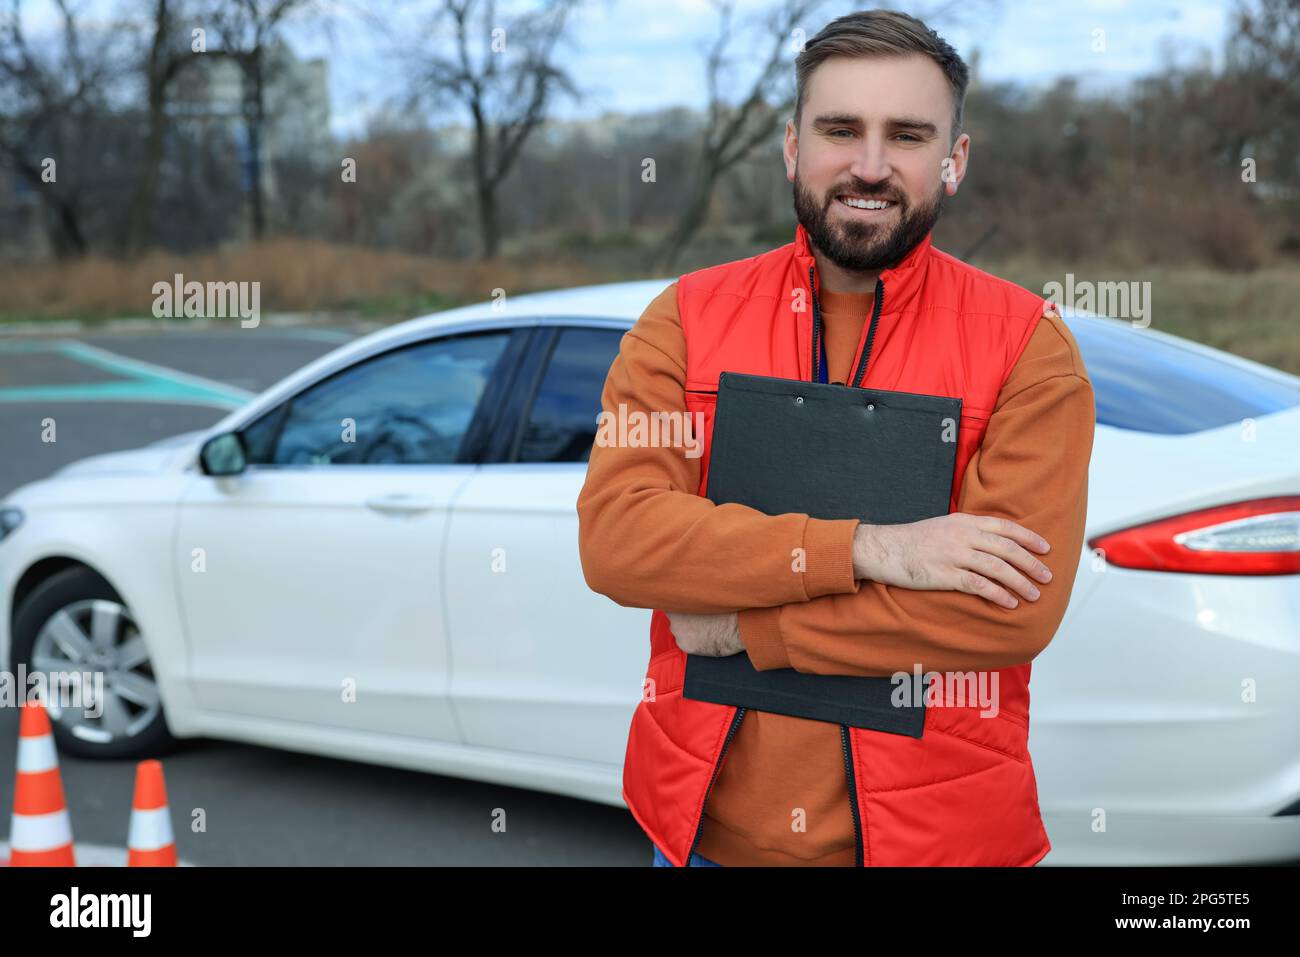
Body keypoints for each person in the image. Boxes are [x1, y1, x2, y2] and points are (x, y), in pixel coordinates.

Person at [577, 8, 1095, 867]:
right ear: (791, 146)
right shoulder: (685, 319)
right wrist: (869, 548)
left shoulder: (1026, 345)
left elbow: (1011, 609)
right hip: (703, 839)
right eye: (840, 129)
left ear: (953, 161)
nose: (869, 165)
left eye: (908, 134)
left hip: (940, 846)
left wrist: (746, 627)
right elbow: (619, 541)